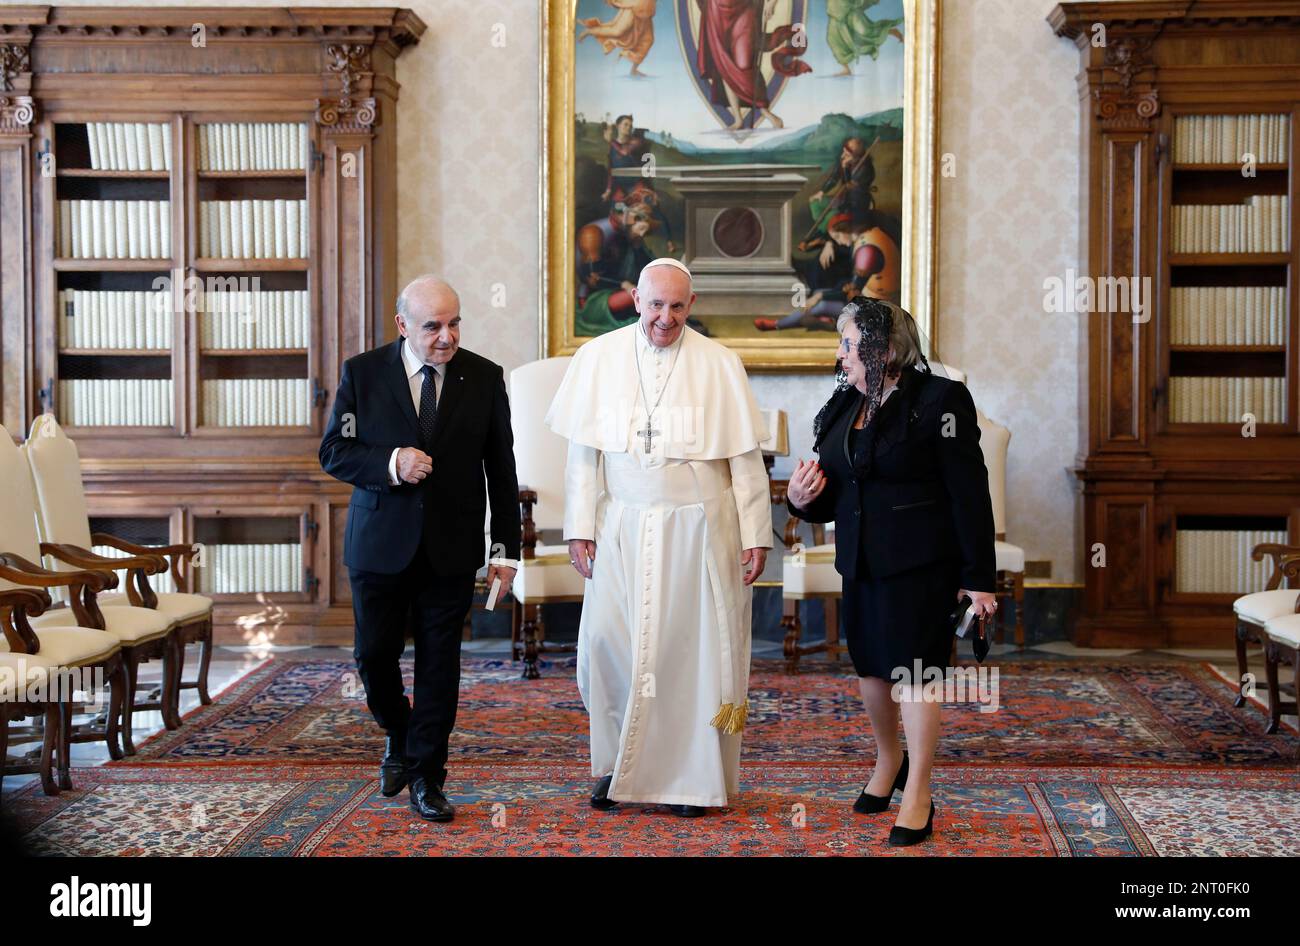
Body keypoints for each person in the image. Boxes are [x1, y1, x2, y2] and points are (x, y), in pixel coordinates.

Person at [546, 257, 773, 817]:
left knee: (686, 657)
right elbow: (582, 459)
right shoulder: (598, 358)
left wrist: (756, 535)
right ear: (635, 299)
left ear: (691, 306)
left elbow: (745, 461)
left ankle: (688, 780)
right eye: (654, 305)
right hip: (620, 524)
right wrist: (578, 529)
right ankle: (614, 767)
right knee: (608, 646)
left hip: (698, 529)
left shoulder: (720, 363)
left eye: (676, 306)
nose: (664, 319)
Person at [785, 298, 995, 846]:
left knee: (915, 673)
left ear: (880, 347)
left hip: (922, 564)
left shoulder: (940, 400)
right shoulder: (844, 404)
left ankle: (920, 790)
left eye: (847, 344)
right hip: (860, 561)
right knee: (872, 670)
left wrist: (979, 579)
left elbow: (969, 493)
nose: (840, 355)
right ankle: (888, 762)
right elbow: (834, 487)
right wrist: (799, 499)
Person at [319, 275, 521, 822]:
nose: (446, 337)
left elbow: (502, 473)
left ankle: (427, 776)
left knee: (440, 665)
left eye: (455, 323)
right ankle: (400, 733)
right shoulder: (362, 374)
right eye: (433, 325)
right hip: (378, 545)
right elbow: (335, 450)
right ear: (402, 324)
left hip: (451, 550)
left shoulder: (483, 378)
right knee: (373, 658)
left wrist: (505, 551)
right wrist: (391, 463)